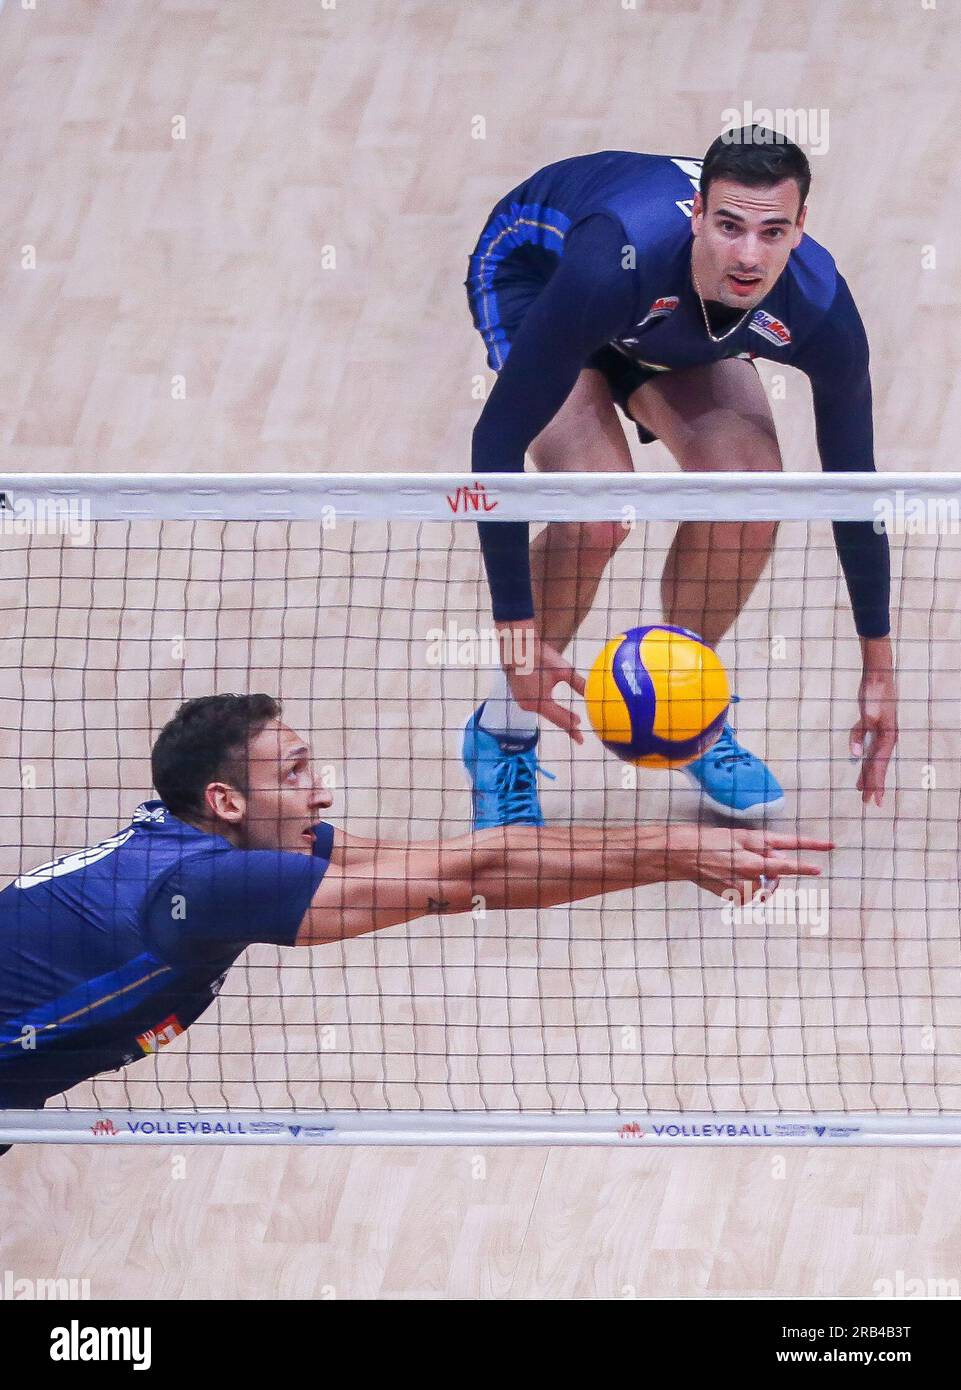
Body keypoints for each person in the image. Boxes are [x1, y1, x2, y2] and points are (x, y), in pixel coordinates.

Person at [0, 693, 830, 1124]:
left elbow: (465, 878)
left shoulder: (220, 848)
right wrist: (670, 849)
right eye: (292, 774)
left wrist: (667, 863)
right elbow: (470, 869)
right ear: (222, 799)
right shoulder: (210, 887)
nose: (320, 792)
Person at [462, 126, 897, 827]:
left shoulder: (817, 308)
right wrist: (517, 642)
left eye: (770, 231)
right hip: (543, 281)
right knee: (594, 511)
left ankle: (681, 700)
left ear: (800, 228)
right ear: (696, 214)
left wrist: (876, 665)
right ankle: (502, 732)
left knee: (751, 496)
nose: (748, 255)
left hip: (672, 321)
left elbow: (854, 488)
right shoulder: (612, 261)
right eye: (727, 226)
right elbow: (495, 443)